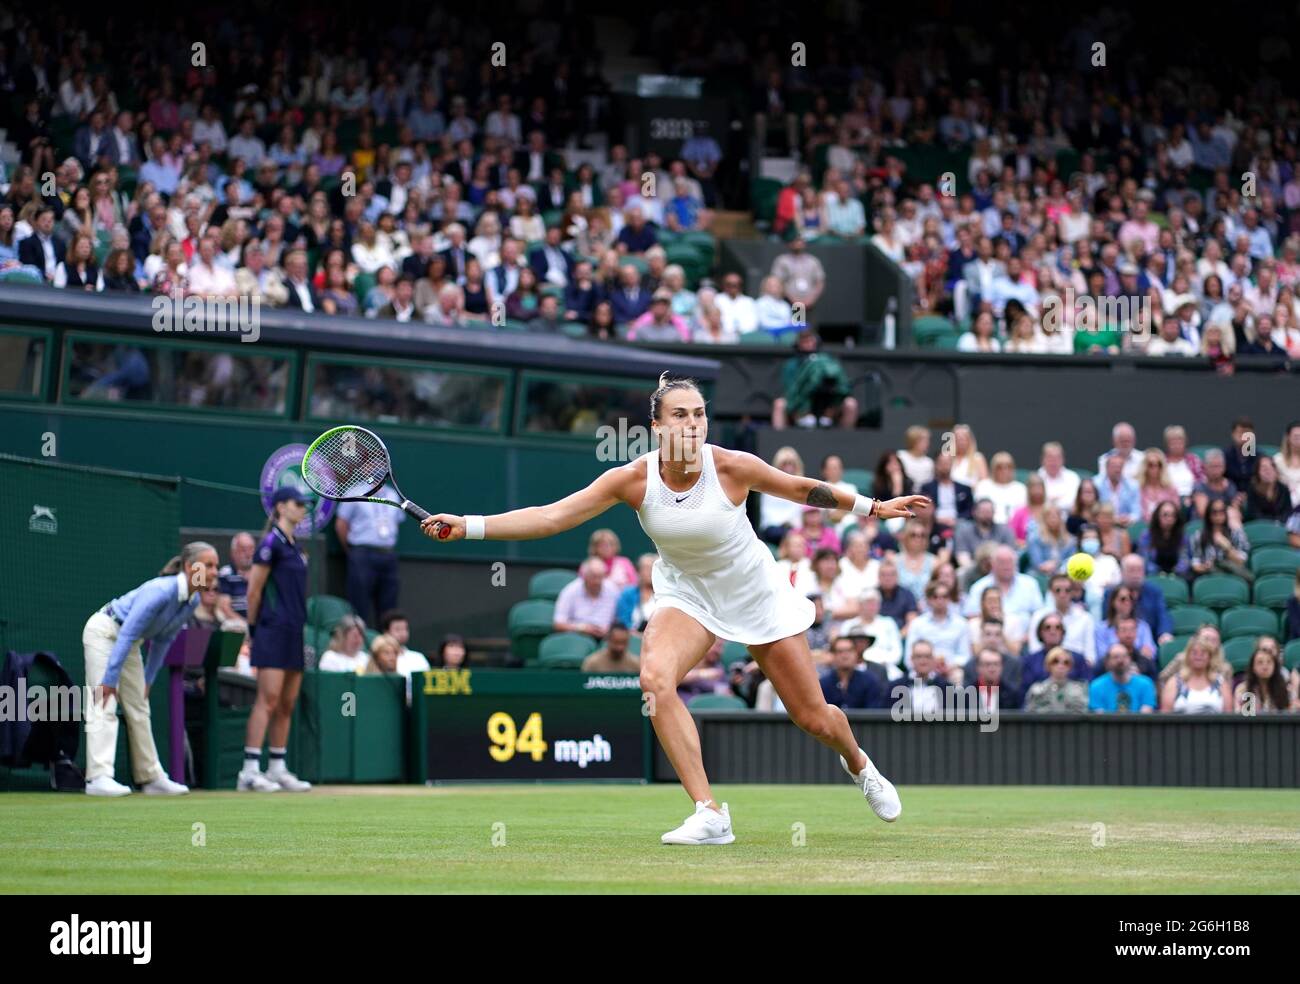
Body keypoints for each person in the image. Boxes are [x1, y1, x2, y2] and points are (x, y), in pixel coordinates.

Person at [418, 371, 929, 844]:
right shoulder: (633, 479)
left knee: (814, 719)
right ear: (657, 426)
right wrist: (470, 524)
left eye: (699, 414)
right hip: (688, 595)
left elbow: (801, 489)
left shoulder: (731, 466)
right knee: (655, 679)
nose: (692, 423)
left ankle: (860, 765)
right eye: (680, 415)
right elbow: (553, 517)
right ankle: (710, 812)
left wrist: (875, 508)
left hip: (756, 594)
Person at [81, 542, 217, 796]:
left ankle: (151, 776)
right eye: (208, 565)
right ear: (190, 567)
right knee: (104, 701)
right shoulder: (160, 592)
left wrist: (148, 680)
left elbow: (163, 640)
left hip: (129, 642)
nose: (214, 571)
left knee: (139, 706)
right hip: (105, 631)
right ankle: (98, 777)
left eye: (216, 566)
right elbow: (128, 632)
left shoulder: (192, 600)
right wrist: (110, 679)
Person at [240, 487, 313, 792]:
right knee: (267, 701)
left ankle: (277, 768)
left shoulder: (295, 546)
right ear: (281, 507)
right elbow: (254, 591)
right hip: (271, 629)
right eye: (298, 504)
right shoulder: (271, 543)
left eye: (305, 505)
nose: (303, 509)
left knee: (286, 703)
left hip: (294, 631)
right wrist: (254, 629)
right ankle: (249, 771)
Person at [334, 487, 403, 626]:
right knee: (359, 605)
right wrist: (352, 551)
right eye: (370, 464)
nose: (373, 467)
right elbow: (341, 524)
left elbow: (396, 522)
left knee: (389, 607)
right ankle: (358, 644)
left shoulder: (392, 494)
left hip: (387, 554)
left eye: (378, 463)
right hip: (362, 554)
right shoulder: (354, 492)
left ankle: (387, 646)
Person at [771, 328, 858, 429]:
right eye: (804, 341)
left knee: (851, 403)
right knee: (779, 404)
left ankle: (846, 441)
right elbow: (790, 391)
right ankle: (781, 442)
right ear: (798, 344)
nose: (808, 344)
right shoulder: (791, 365)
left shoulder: (828, 361)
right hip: (799, 406)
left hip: (829, 405)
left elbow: (842, 387)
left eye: (810, 340)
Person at [1160, 635, 1233, 713]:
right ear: (1188, 656)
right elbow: (1165, 715)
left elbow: (1228, 714)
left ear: (1210, 657)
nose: (1198, 656)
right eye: (1194, 652)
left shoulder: (1221, 683)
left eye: (1203, 652)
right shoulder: (1174, 682)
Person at [553, 557, 621, 639]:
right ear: (584, 576)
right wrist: (582, 628)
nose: (597, 581)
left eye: (600, 577)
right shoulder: (570, 591)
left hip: (607, 639)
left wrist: (610, 629)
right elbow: (558, 624)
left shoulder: (613, 590)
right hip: (578, 637)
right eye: (594, 577)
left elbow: (620, 619)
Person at [819, 635, 886, 710]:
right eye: (840, 652)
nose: (845, 656)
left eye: (849, 651)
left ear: (856, 654)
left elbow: (874, 712)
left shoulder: (870, 681)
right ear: (833, 655)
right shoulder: (823, 684)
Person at [1089, 644, 1157, 713]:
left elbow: (1146, 715)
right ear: (1107, 662)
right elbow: (1099, 717)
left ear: (1130, 659)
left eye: (1124, 656)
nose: (1120, 660)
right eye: (1116, 657)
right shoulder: (1096, 686)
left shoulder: (1145, 684)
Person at [1023, 647, 1089, 713]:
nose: (1061, 666)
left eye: (1066, 663)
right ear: (1048, 665)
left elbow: (1082, 714)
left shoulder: (1078, 691)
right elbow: (1030, 715)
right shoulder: (1037, 690)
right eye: (1055, 661)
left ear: (1070, 667)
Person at [1233, 638, 1291, 713]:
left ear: (1275, 667)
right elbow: (1247, 718)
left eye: (1269, 662)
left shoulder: (1285, 689)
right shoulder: (1244, 689)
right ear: (1253, 667)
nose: (1265, 666)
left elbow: (1288, 715)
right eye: (1260, 662)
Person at [216, 531, 256, 625]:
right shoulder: (226, 574)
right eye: (243, 549)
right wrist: (246, 626)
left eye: (251, 549)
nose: (248, 554)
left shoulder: (262, 574)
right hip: (236, 626)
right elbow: (224, 608)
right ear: (233, 553)